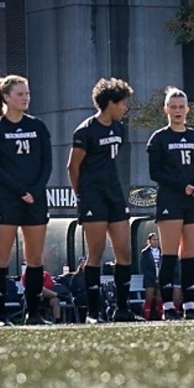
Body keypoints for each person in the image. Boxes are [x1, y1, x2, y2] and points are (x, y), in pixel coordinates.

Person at [0, 74, 53, 325]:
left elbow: (47, 163)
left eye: (27, 93)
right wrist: (20, 190)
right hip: (8, 199)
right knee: (0, 257)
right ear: (6, 97)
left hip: (36, 198)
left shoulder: (38, 127)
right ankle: (1, 315)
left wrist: (35, 190)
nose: (25, 98)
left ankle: (34, 313)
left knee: (35, 258)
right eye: (20, 94)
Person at [68, 78, 135, 323]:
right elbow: (72, 167)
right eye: (123, 103)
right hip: (92, 197)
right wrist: (81, 196)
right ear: (110, 103)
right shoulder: (85, 131)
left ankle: (123, 309)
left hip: (114, 194)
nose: (126, 108)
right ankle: (93, 312)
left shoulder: (119, 129)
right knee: (95, 253)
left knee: (125, 253)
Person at [147, 87, 194, 319]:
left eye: (181, 107)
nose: (177, 111)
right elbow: (155, 173)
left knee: (189, 257)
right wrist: (181, 185)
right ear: (166, 109)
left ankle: (189, 306)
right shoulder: (159, 138)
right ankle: (167, 308)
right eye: (173, 107)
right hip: (170, 201)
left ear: (187, 109)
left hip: (192, 201)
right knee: (170, 256)